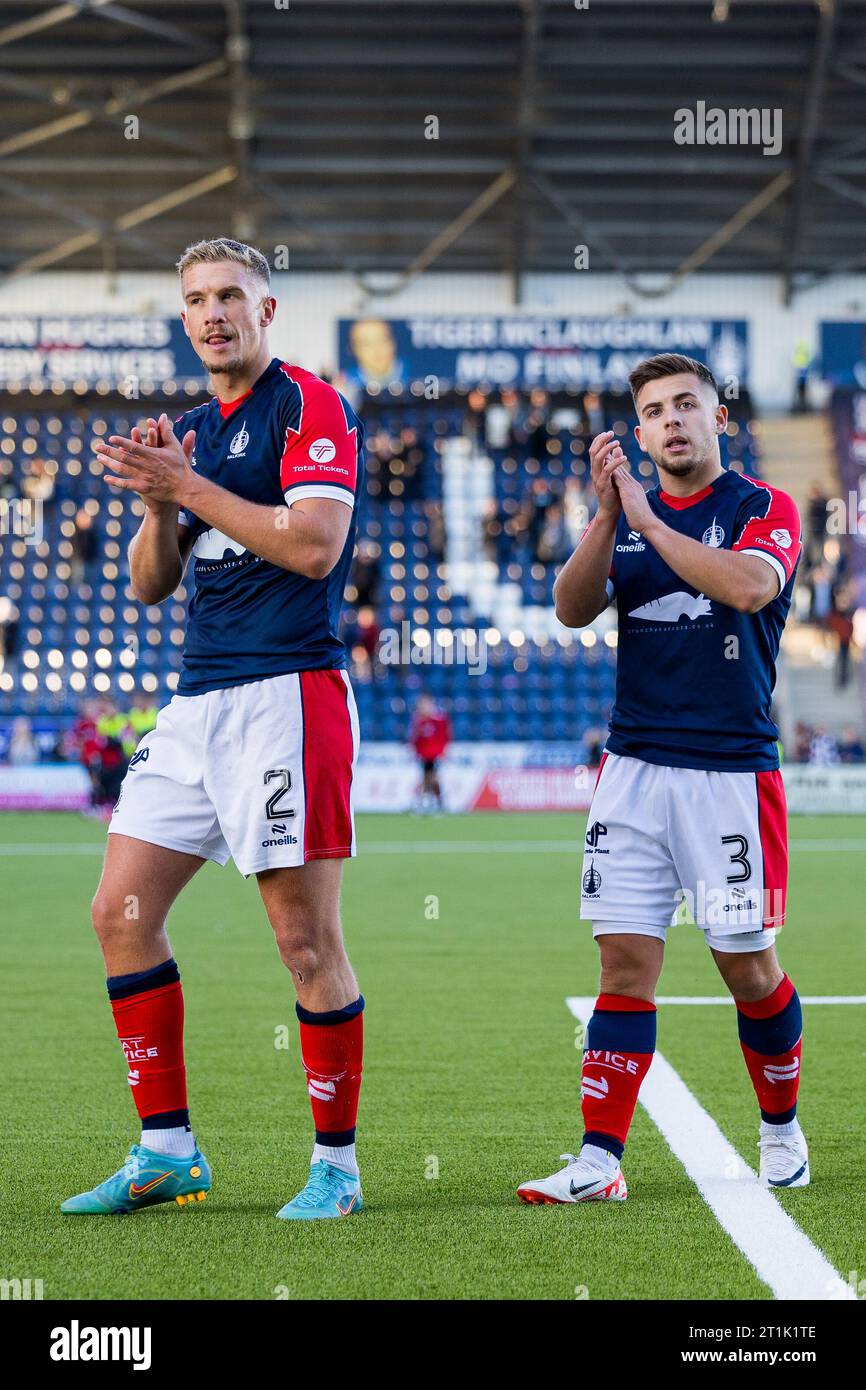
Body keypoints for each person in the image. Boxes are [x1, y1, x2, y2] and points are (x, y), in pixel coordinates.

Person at [62, 237, 366, 1222]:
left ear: (266, 309)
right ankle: (166, 1151)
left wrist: (184, 486)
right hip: (196, 701)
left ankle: (335, 1168)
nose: (210, 313)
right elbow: (151, 585)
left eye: (229, 294)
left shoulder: (309, 406)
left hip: (288, 695)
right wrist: (159, 505)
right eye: (194, 299)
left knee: (304, 942)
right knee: (120, 913)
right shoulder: (187, 429)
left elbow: (314, 547)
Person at [518, 353, 807, 1205]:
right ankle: (599, 1161)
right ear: (639, 432)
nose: (672, 419)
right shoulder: (623, 519)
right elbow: (571, 609)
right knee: (622, 967)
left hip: (729, 776)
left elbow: (751, 588)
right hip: (633, 770)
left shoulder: (763, 508)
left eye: (689, 403)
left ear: (720, 419)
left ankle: (781, 1129)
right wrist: (609, 519)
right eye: (655, 410)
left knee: (745, 967)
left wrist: (646, 513)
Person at [410, 695, 451, 813]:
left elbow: (445, 737)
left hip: (435, 754)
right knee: (426, 779)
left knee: (433, 779)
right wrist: (415, 751)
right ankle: (428, 803)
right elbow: (416, 739)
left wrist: (443, 752)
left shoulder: (438, 720)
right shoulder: (419, 721)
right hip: (424, 755)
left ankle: (437, 803)